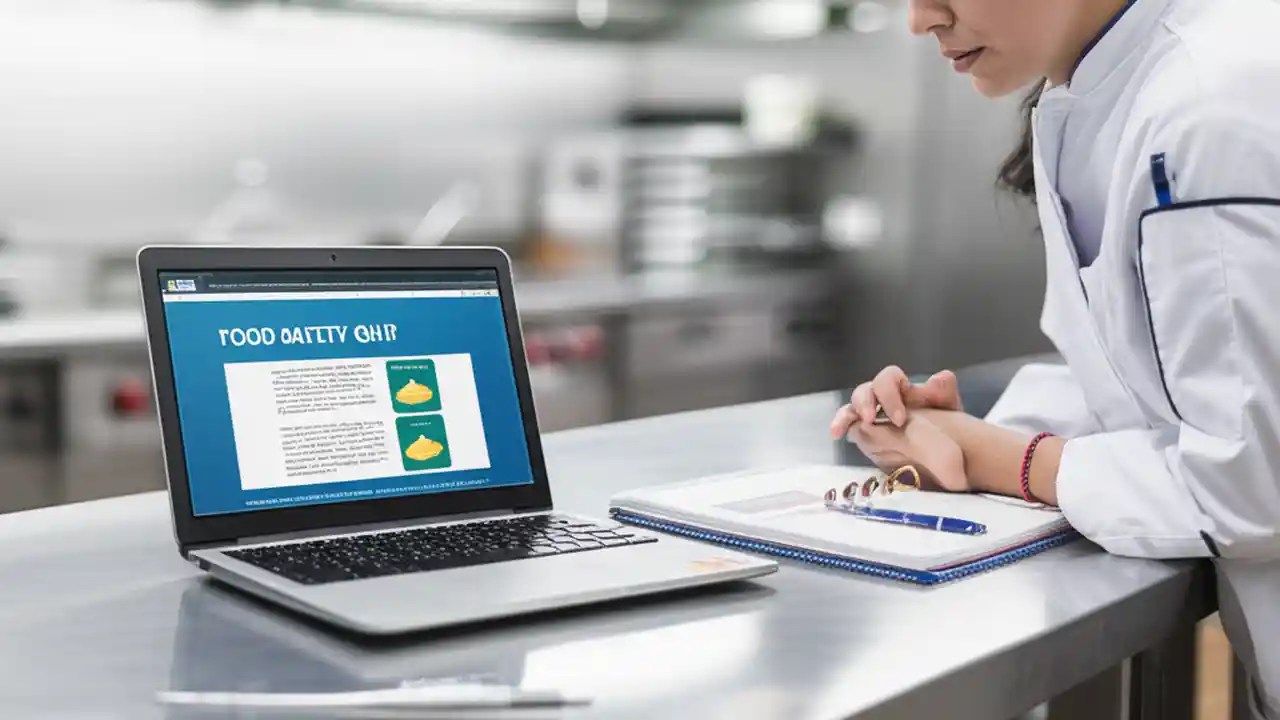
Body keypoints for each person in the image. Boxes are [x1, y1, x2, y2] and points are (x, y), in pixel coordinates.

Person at [829, 0, 1280, 716]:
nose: (921, 20)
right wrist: (961, 437)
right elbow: (1134, 372)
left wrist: (1005, 461)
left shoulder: (1211, 102)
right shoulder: (1104, 87)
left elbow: (1250, 484)